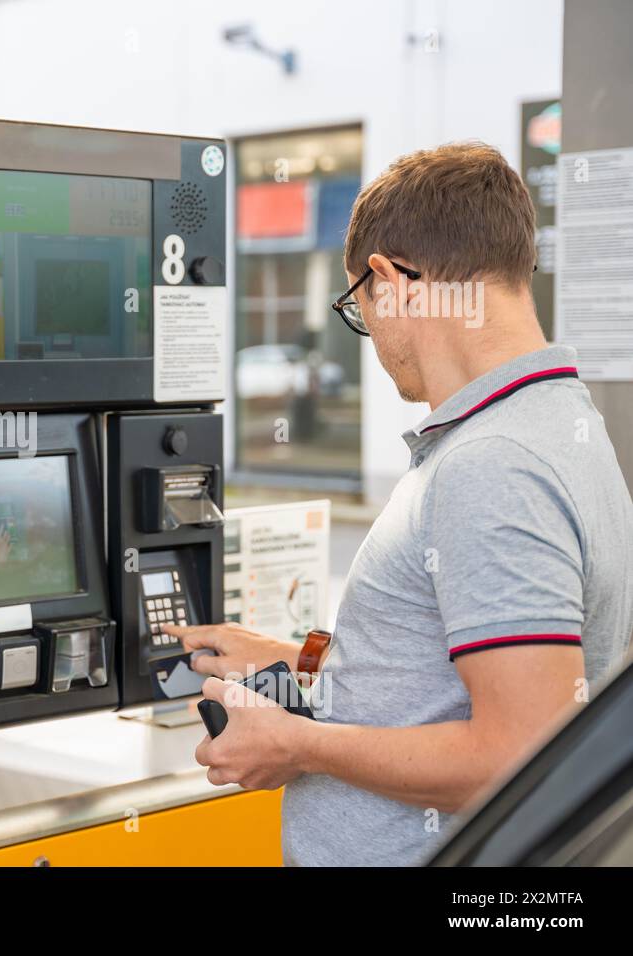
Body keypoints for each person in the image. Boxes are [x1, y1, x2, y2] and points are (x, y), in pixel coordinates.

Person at [164, 142, 633, 866]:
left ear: (390, 280)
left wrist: (296, 743)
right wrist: (303, 661)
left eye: (360, 307)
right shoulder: (556, 423)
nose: (372, 336)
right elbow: (447, 668)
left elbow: (523, 755)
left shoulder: (491, 464)